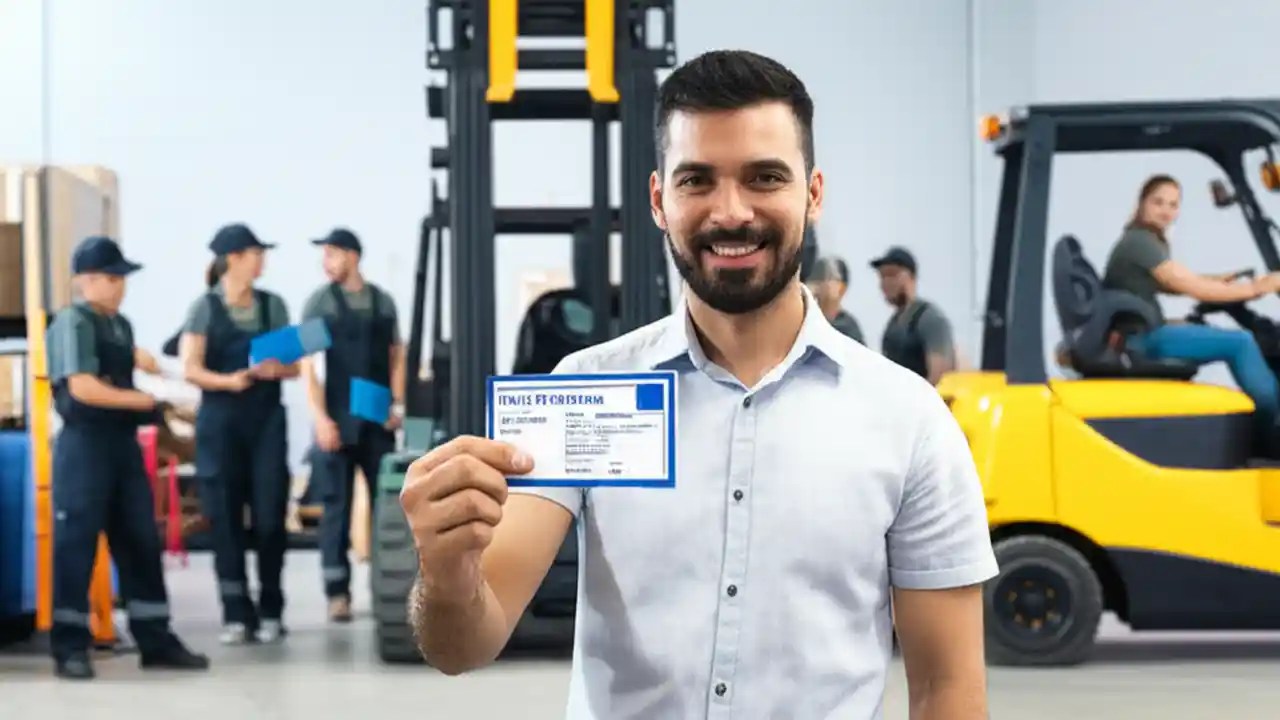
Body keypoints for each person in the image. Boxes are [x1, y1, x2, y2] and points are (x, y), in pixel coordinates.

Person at [399, 49, 996, 719]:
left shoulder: (906, 419)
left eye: (765, 177)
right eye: (698, 180)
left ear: (814, 193)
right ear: (660, 199)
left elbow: (948, 691)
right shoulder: (586, 390)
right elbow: (463, 645)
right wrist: (447, 575)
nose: (731, 211)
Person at [46, 236, 209, 679]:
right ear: (86, 281)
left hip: (121, 448)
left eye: (122, 279)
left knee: (140, 540)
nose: (120, 287)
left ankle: (155, 639)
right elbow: (82, 388)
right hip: (85, 447)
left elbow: (117, 372)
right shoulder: (72, 323)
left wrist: (148, 379)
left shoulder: (120, 325)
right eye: (112, 279)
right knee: (76, 546)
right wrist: (144, 402)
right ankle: (70, 646)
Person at [179, 223, 297, 645]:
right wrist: (229, 381)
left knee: (269, 517)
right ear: (234, 259)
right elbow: (190, 367)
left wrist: (274, 369)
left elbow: (295, 366)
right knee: (225, 518)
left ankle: (271, 610)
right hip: (220, 421)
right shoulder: (204, 309)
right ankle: (235, 613)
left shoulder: (274, 306)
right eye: (255, 253)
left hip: (265, 421)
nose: (262, 260)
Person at [1101, 173, 1280, 452]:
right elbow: (1191, 286)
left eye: (1173, 205)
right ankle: (1273, 422)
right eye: (1158, 202)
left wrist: (1219, 280)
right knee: (1241, 343)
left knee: (1212, 331)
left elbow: (1175, 282)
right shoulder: (1140, 242)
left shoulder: (1146, 240)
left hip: (1140, 334)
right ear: (1142, 203)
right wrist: (1258, 287)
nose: (1165, 210)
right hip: (1145, 340)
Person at [300, 227, 405, 622]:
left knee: (387, 508)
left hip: (377, 419)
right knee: (335, 509)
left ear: (353, 256)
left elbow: (397, 355)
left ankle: (385, 588)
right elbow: (308, 367)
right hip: (335, 420)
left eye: (332, 254)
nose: (325, 263)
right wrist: (320, 419)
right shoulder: (319, 304)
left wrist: (397, 403)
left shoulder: (382, 303)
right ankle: (337, 593)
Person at [870, 246, 957, 385]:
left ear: (911, 277)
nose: (885, 282)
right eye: (882, 276)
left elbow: (941, 377)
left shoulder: (929, 319)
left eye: (892, 275)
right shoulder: (893, 325)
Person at [806, 255, 865, 343]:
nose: (819, 283)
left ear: (841, 287)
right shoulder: (807, 321)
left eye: (828, 278)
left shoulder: (847, 328)